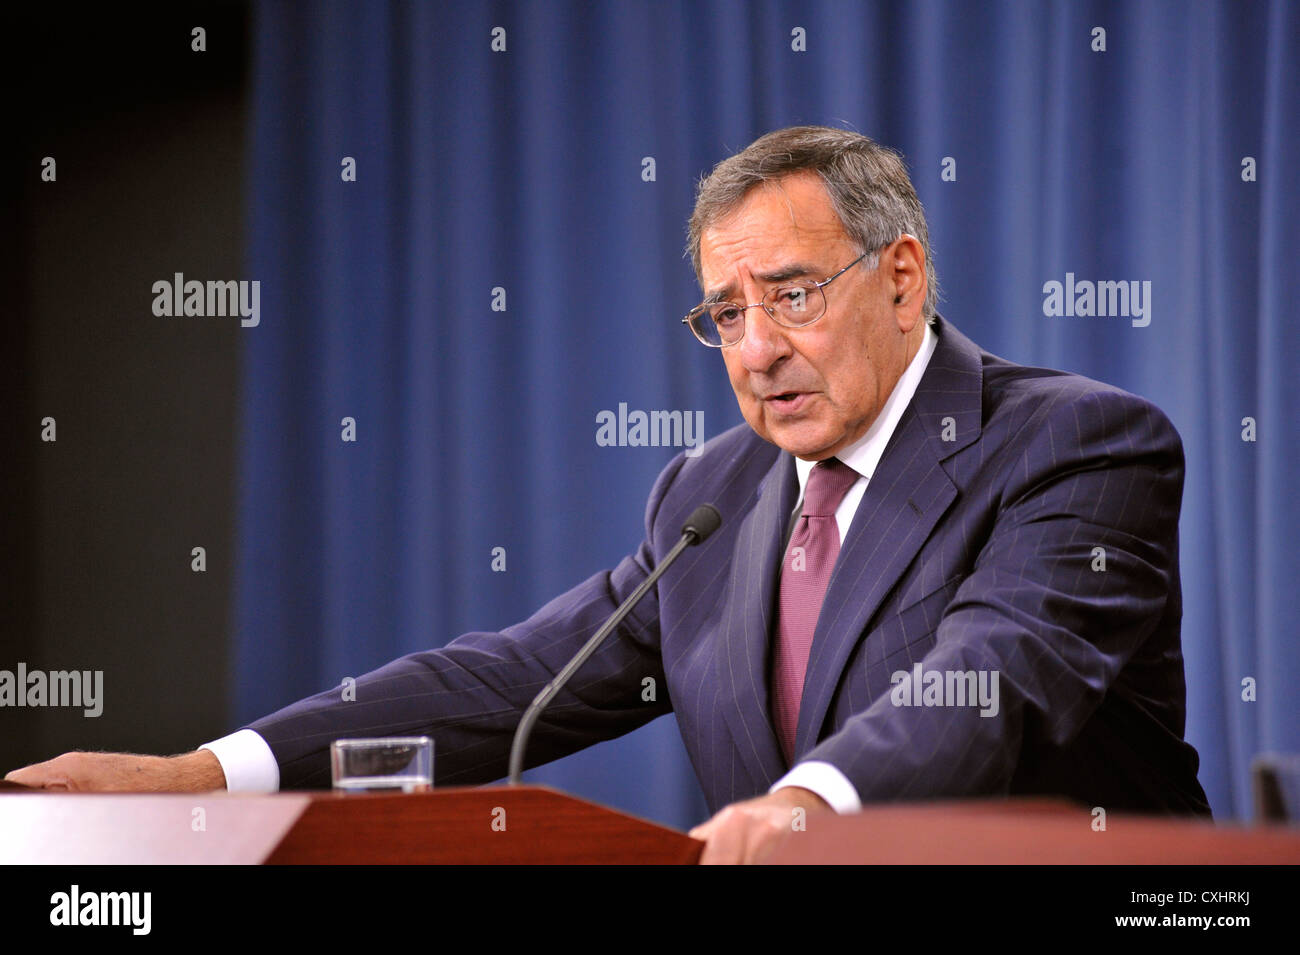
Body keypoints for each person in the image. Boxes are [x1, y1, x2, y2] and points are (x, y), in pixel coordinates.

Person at [6, 126, 1211, 863]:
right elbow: (518, 677)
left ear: (901, 281)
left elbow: (987, 679)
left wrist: (807, 805)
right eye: (724, 314)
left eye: (791, 295)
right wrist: (202, 775)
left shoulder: (1074, 446)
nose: (754, 349)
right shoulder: (716, 491)